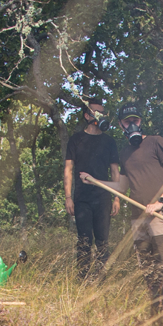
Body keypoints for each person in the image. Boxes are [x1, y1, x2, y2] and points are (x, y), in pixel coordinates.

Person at [83, 102, 163, 307]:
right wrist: (95, 180)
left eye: (135, 120)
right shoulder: (125, 153)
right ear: (120, 124)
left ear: (141, 121)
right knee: (148, 273)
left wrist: (160, 202)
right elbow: (122, 186)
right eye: (127, 121)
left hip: (161, 215)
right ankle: (156, 319)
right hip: (138, 219)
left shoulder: (156, 142)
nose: (132, 124)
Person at [64, 96, 121, 280]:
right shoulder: (76, 139)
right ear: (87, 115)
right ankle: (82, 279)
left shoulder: (109, 142)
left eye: (102, 113)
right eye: (96, 112)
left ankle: (101, 280)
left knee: (103, 241)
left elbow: (114, 170)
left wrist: (117, 197)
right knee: (84, 240)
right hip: (82, 198)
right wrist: (68, 197)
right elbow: (68, 168)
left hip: (103, 198)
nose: (100, 115)